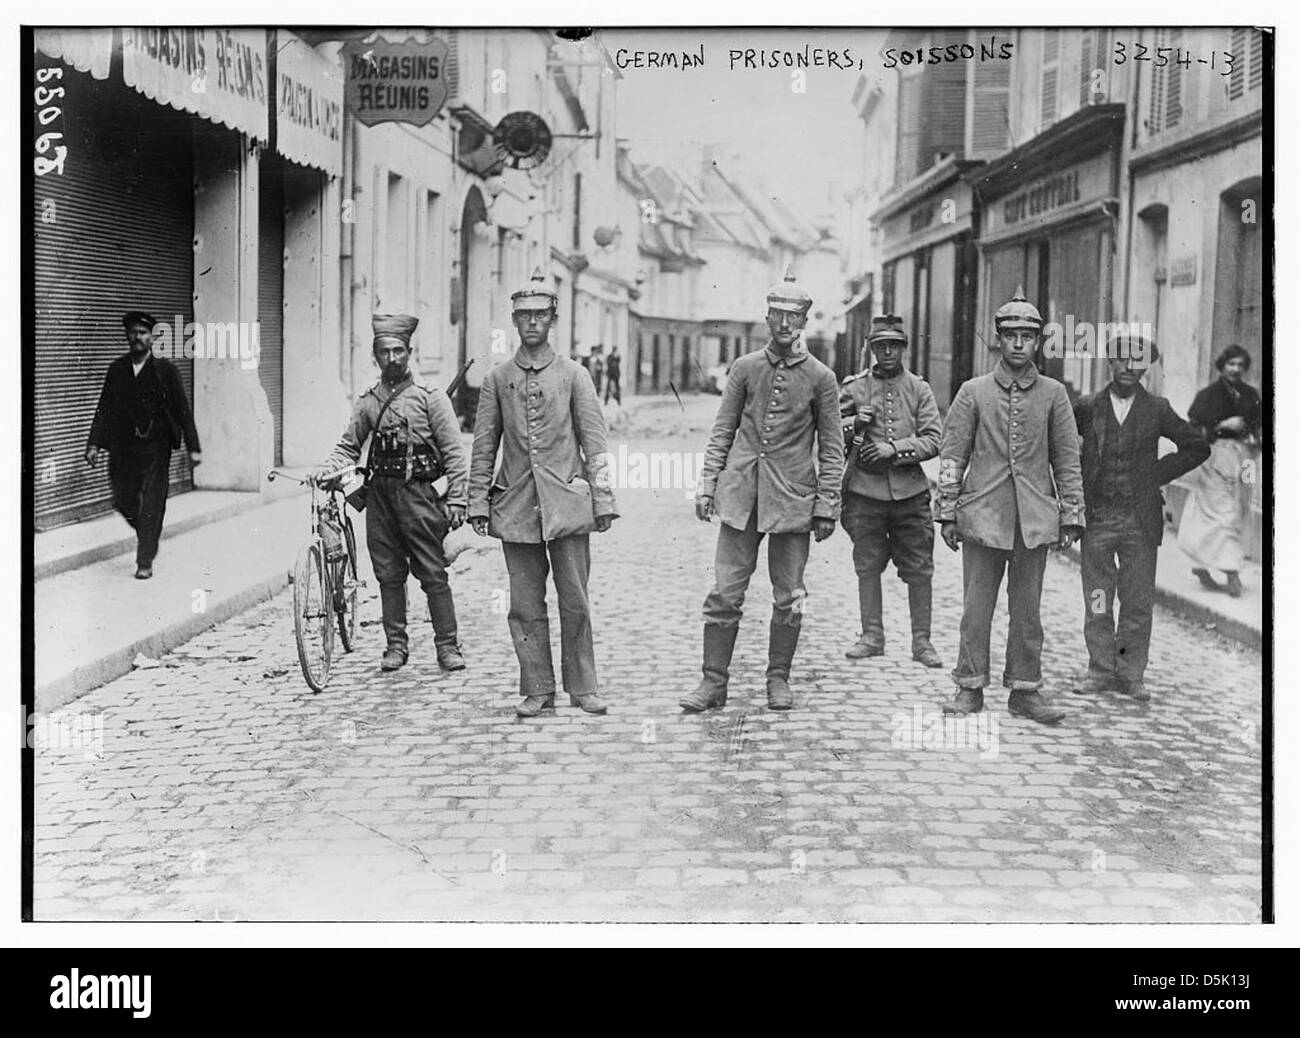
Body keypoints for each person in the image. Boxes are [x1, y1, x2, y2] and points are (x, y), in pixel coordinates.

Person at [681, 269, 844, 713]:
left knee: (790, 595)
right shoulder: (745, 368)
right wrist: (707, 484)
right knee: (724, 593)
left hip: (791, 499)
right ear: (767, 317)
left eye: (793, 316)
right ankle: (713, 683)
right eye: (777, 314)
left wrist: (827, 504)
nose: (785, 324)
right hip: (740, 496)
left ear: (805, 320)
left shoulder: (821, 378)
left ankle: (778, 678)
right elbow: (722, 431)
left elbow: (832, 447)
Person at [468, 270, 618, 718]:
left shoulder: (575, 375)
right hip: (516, 506)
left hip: (567, 505)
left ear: (553, 318)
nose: (532, 323)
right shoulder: (497, 379)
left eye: (540, 315)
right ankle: (537, 686)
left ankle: (584, 686)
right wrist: (478, 502)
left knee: (575, 599)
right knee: (524, 604)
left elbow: (596, 443)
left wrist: (604, 500)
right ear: (514, 321)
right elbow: (484, 445)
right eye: (524, 316)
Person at [935, 289, 1085, 725]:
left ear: (1038, 343)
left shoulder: (1055, 394)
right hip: (983, 516)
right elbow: (951, 458)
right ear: (998, 339)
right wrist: (947, 511)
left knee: (1028, 610)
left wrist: (1071, 512)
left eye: (1028, 336)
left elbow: (1067, 458)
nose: (1019, 344)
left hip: (1034, 520)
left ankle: (1025, 690)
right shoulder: (972, 392)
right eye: (1011, 335)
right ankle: (969, 685)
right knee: (975, 608)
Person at [320, 314, 468, 673]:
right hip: (381, 500)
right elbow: (347, 446)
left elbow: (454, 454)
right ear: (376, 356)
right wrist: (328, 469)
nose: (392, 358)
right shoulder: (369, 402)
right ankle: (396, 646)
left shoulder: (430, 398)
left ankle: (447, 646)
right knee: (388, 574)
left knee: (432, 573)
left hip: (419, 497)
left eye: (398, 351)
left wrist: (458, 500)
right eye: (384, 352)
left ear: (409, 352)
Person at [1073, 335, 1210, 701]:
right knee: (1098, 598)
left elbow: (1197, 446)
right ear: (1110, 363)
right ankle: (1100, 669)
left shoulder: (1158, 409)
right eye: (1122, 359)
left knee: (1136, 600)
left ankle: (1131, 673)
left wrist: (1157, 473)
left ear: (1145, 367)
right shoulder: (1086, 407)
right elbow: (1063, 449)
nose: (1129, 367)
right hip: (1098, 517)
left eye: (1138, 361)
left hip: (1139, 521)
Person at [839, 314, 944, 668]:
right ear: (870, 348)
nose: (887, 352)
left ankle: (922, 641)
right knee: (867, 564)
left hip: (910, 495)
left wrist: (895, 450)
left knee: (919, 567)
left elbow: (934, 439)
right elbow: (831, 435)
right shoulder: (853, 388)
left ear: (903, 349)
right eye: (880, 346)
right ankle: (871, 635)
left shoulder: (919, 389)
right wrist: (855, 423)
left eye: (894, 346)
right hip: (865, 493)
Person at [85, 311, 202, 580]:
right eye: (134, 332)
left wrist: (193, 447)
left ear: (152, 338)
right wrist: (93, 444)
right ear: (127, 335)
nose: (138, 337)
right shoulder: (117, 369)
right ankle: (147, 533)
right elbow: (104, 408)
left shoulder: (165, 370)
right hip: (123, 447)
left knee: (151, 502)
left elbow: (183, 410)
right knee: (123, 500)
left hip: (155, 447)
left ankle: (144, 560)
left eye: (143, 333)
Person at [1177, 344, 1263, 598]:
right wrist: (1223, 424)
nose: (1235, 369)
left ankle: (1204, 564)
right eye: (1231, 364)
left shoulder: (1251, 394)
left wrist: (1255, 439)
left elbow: (1260, 424)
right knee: (1221, 513)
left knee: (1242, 508)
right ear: (1222, 366)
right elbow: (1194, 430)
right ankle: (1231, 573)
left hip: (1247, 460)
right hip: (1217, 459)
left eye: (1240, 365)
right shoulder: (1208, 395)